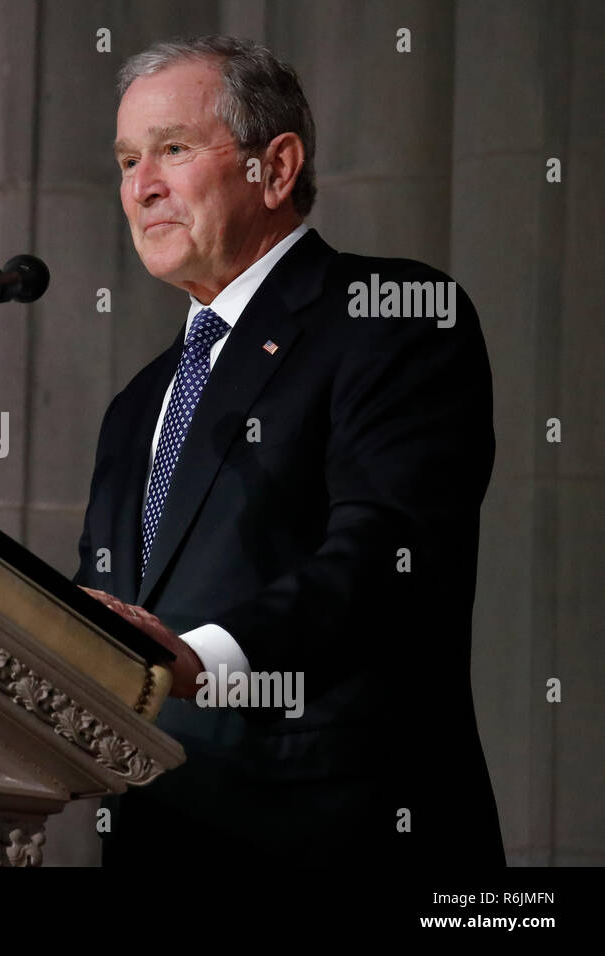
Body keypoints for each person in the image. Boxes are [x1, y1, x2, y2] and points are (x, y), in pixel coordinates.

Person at [74, 35, 505, 865]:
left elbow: (390, 551)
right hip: (159, 835)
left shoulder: (393, 315)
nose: (142, 187)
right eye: (128, 160)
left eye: (173, 149)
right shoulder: (139, 403)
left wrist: (198, 658)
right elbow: (106, 613)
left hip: (340, 834)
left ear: (274, 169)